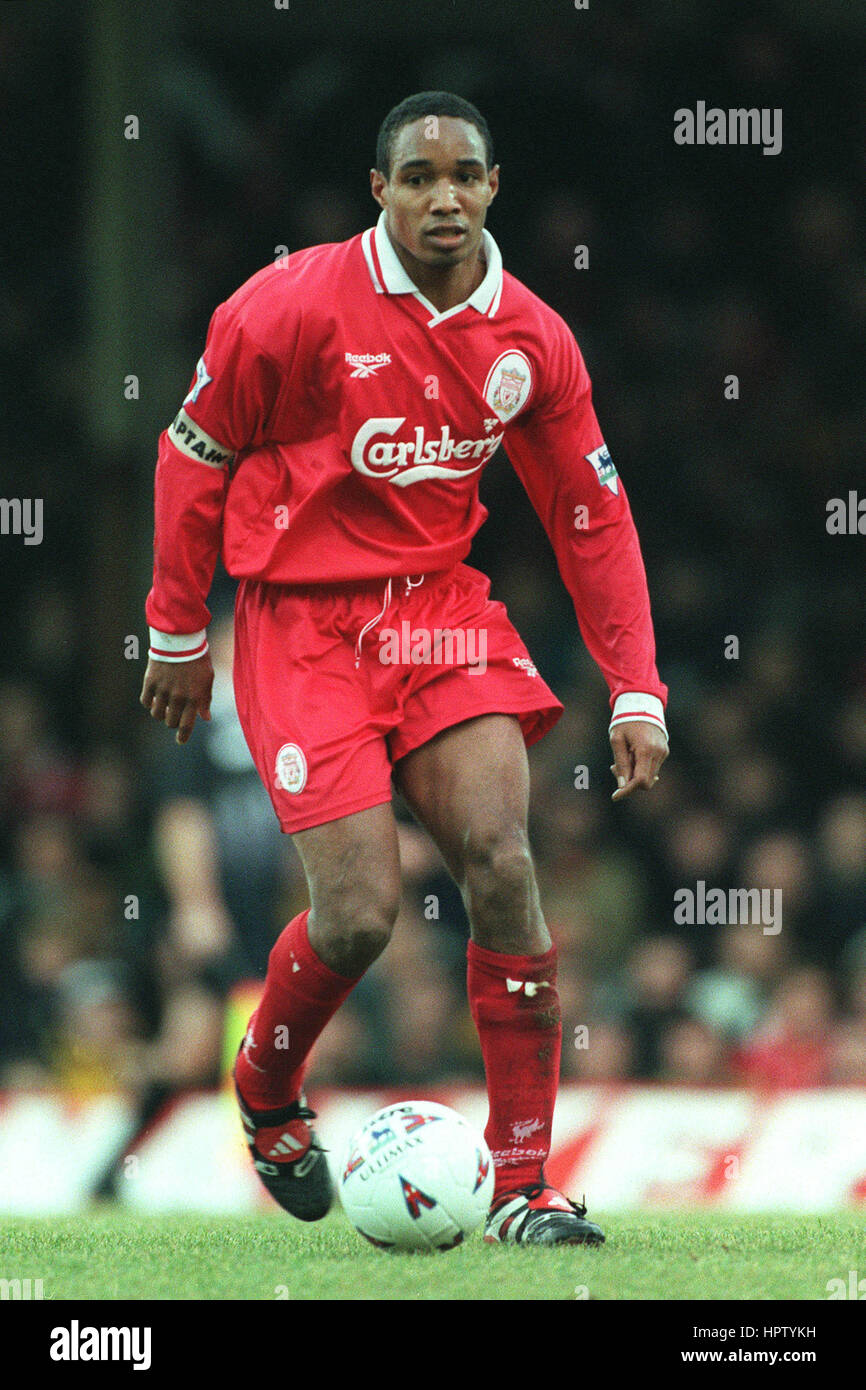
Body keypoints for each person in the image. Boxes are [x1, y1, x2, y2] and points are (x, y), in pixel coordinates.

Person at [140, 91, 669, 1246]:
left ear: (492, 187)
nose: (443, 195)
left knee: (499, 856)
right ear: (376, 190)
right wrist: (179, 631)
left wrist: (635, 685)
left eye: (464, 175)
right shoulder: (285, 307)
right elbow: (194, 456)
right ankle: (267, 1091)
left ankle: (526, 1184)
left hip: (436, 611)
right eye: (418, 176)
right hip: (302, 623)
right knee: (359, 916)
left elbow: (590, 514)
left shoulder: (528, 337)